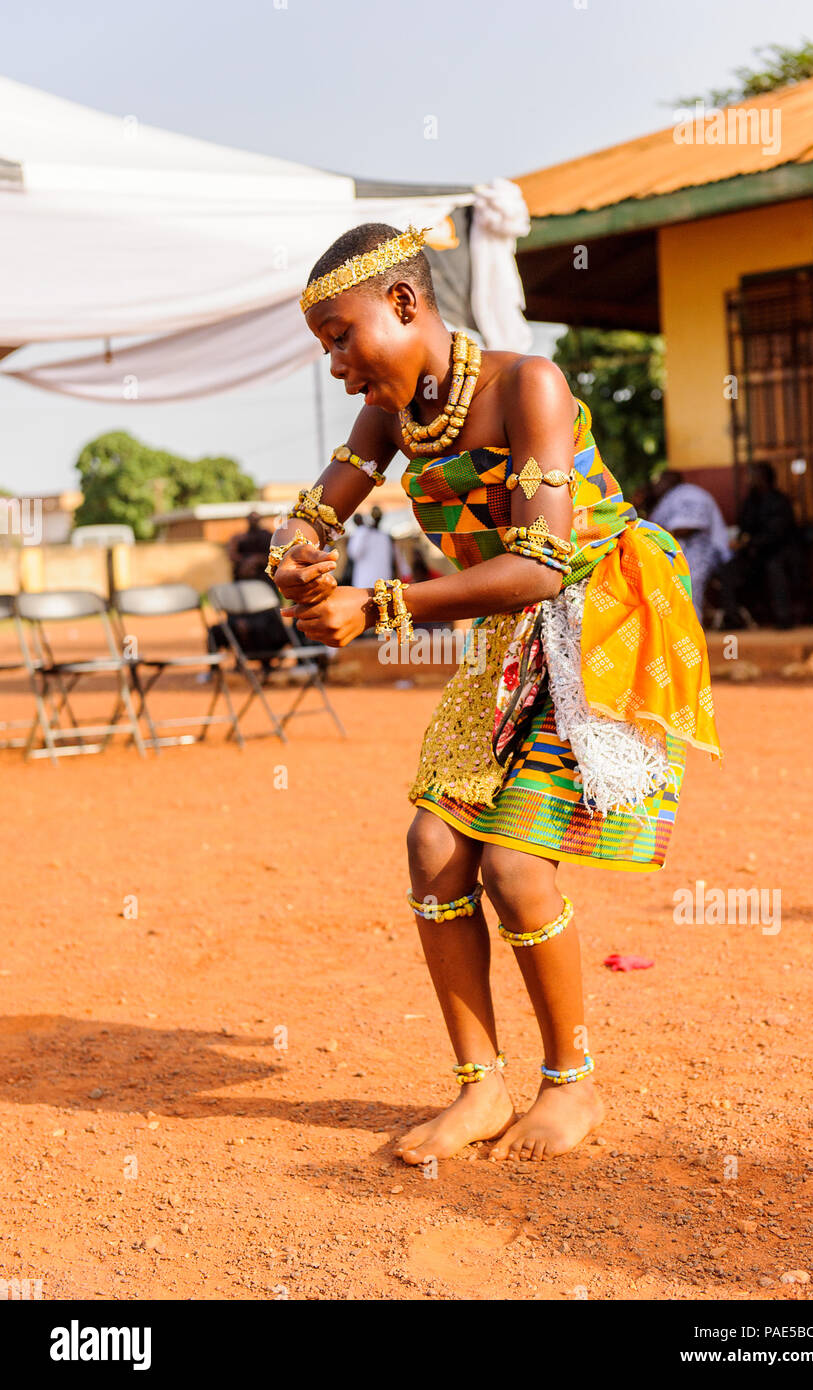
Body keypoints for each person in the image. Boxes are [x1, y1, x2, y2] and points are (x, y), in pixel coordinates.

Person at [269, 223, 721, 1166]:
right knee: (434, 843)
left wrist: (378, 603)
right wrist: (300, 565)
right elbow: (317, 510)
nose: (338, 366)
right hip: (511, 636)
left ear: (403, 303)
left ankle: (573, 1083)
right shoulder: (391, 418)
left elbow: (544, 566)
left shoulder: (529, 385)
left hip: (598, 625)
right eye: (325, 349)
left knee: (514, 866)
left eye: (343, 337)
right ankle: (479, 1087)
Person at [717, 463, 797, 628]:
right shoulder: (750, 502)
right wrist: (742, 542)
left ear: (762, 478)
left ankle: (784, 618)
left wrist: (750, 542)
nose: (748, 480)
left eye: (752, 476)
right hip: (753, 555)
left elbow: (777, 534)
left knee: (774, 567)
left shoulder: (779, 501)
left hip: (778, 554)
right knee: (728, 570)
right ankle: (733, 618)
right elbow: (744, 528)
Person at [649, 470, 731, 622]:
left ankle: (691, 631)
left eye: (660, 481)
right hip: (683, 553)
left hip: (704, 551)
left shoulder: (688, 494)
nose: (656, 485)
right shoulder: (668, 498)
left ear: (670, 481)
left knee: (688, 585)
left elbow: (687, 528)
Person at [346, 505, 394, 591]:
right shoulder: (361, 533)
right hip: (364, 584)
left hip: (383, 582)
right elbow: (354, 553)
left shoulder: (384, 536)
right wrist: (362, 530)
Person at [228, 510, 272, 581]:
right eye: (251, 519)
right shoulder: (239, 538)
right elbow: (232, 555)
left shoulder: (267, 536)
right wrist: (246, 562)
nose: (253, 521)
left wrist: (256, 560)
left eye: (255, 519)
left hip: (262, 575)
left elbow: (272, 555)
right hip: (243, 575)